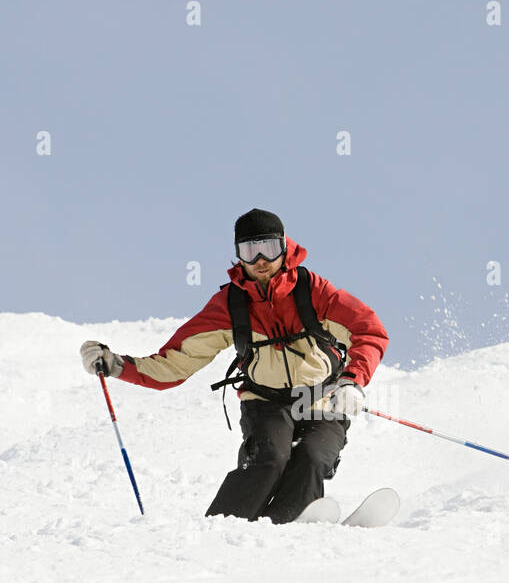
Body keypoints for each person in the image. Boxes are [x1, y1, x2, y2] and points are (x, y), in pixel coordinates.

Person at [80, 209, 389, 523]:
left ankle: (290, 520)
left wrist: (353, 380)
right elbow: (176, 362)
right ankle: (226, 527)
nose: (259, 260)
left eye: (268, 248)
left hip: (320, 398)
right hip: (265, 401)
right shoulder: (231, 305)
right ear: (237, 255)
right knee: (270, 458)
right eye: (248, 251)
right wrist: (117, 366)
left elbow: (368, 330)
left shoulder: (313, 292)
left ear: (284, 247)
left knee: (312, 456)